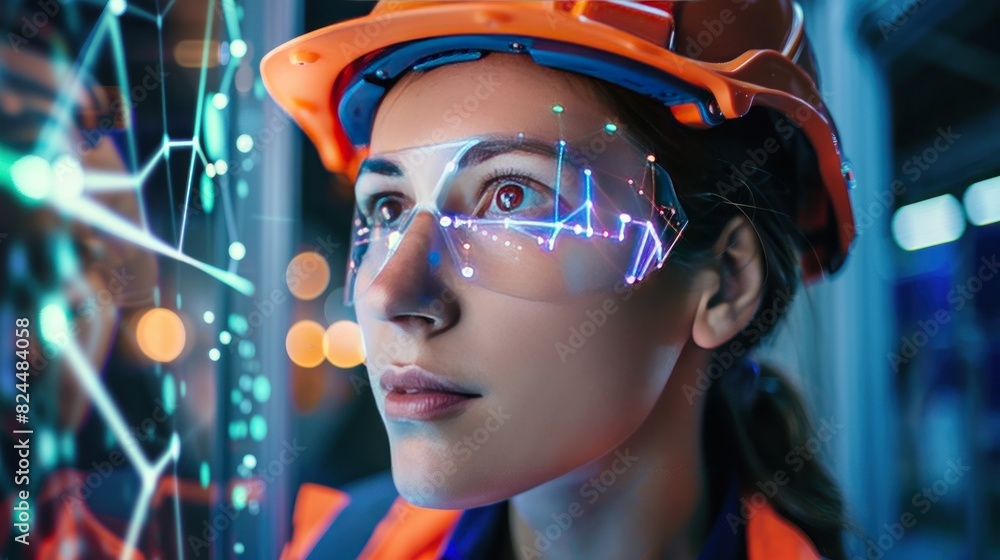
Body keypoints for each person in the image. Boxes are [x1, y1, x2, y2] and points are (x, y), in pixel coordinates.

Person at [262, 1, 857, 558]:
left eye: (511, 197)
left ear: (727, 282)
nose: (391, 294)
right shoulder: (336, 544)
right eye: (389, 206)